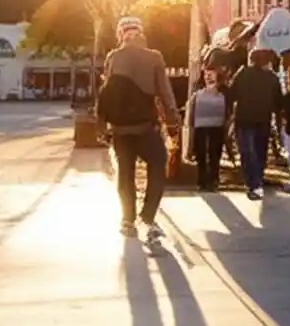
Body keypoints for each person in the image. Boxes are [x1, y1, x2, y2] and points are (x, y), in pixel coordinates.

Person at [96, 16, 181, 242]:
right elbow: (165, 92)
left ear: (120, 34)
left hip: (120, 130)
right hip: (146, 128)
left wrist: (102, 124)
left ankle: (127, 219)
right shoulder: (154, 57)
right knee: (157, 164)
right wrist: (173, 120)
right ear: (140, 33)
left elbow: (106, 92)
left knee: (125, 174)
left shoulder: (113, 57)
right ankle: (148, 216)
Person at [230, 48, 282, 200]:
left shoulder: (243, 74)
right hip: (262, 121)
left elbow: (232, 94)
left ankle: (253, 184)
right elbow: (278, 102)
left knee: (248, 152)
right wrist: (280, 122)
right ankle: (256, 180)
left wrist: (228, 113)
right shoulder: (272, 78)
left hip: (244, 120)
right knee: (259, 153)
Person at [184, 64, 230, 192]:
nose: (208, 77)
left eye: (211, 74)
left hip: (217, 128)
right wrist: (190, 127)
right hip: (201, 128)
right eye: (206, 75)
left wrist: (226, 129)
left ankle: (213, 180)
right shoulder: (197, 95)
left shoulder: (223, 95)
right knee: (201, 155)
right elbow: (191, 114)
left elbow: (227, 114)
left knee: (214, 155)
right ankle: (202, 181)